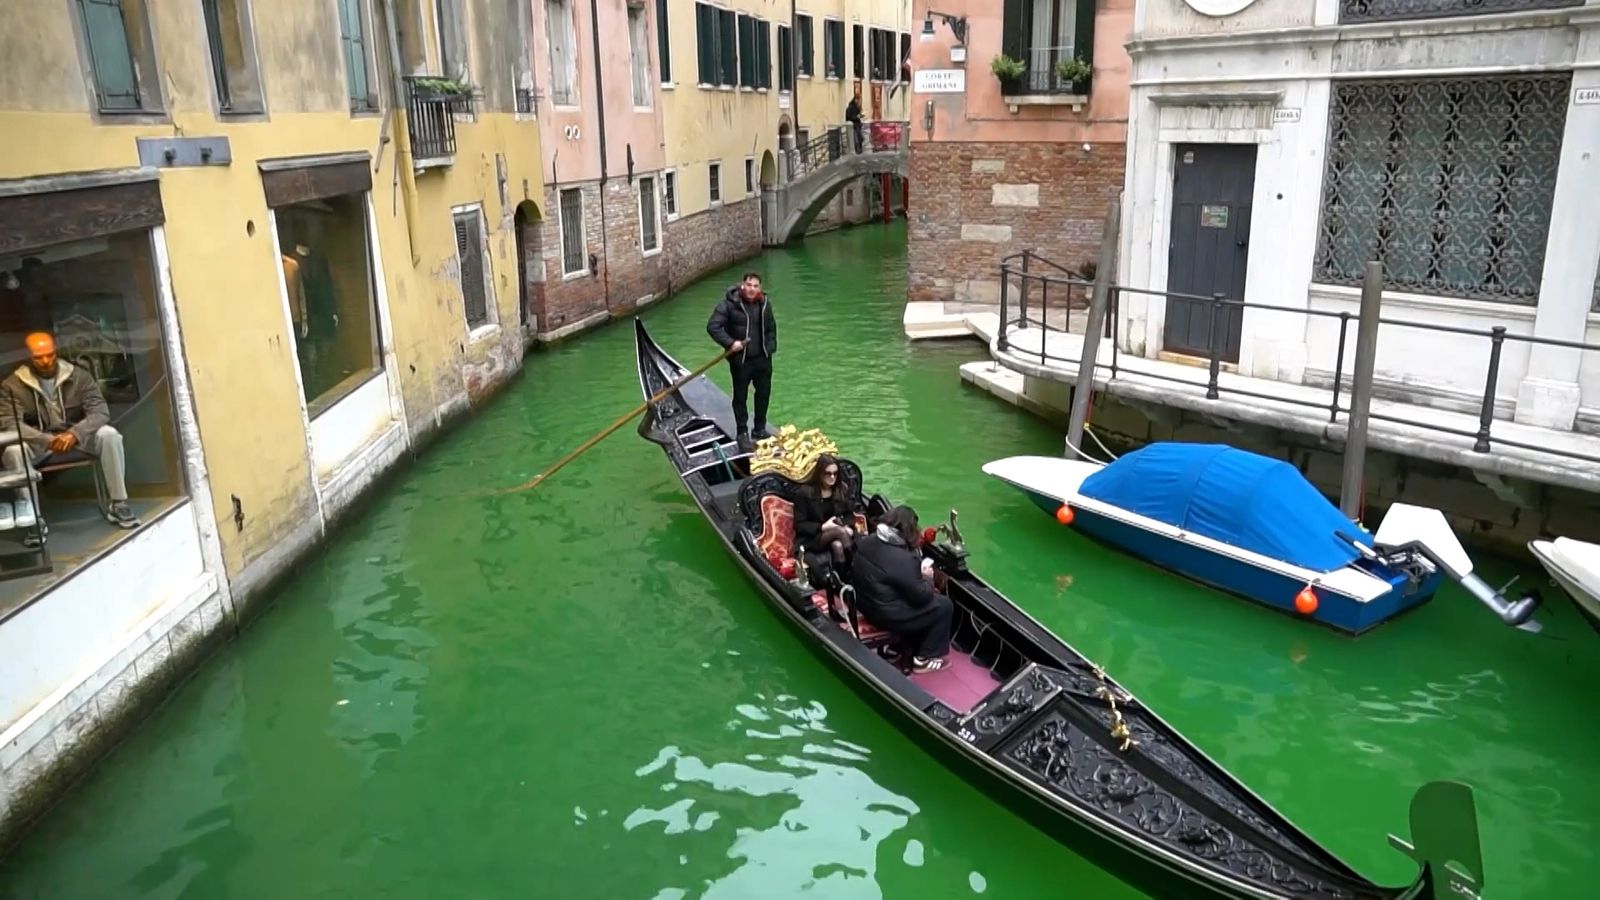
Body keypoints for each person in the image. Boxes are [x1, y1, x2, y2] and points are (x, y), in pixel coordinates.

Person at [0, 332, 140, 529]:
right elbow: (10, 423)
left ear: (56, 352)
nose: (46, 361)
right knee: (13, 450)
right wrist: (45, 439)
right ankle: (33, 518)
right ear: (28, 357)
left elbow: (100, 411)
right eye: (38, 357)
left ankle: (119, 503)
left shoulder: (78, 375)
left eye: (50, 354)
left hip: (75, 436)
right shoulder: (12, 385)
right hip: (38, 442)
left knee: (110, 435)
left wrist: (75, 434)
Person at [849, 505, 953, 673]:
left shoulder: (867, 540)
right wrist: (927, 577)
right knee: (944, 605)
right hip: (886, 615)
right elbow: (922, 597)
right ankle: (923, 659)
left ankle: (904, 645)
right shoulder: (904, 559)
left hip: (864, 604)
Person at [706, 271, 778, 452]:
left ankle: (760, 429)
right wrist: (731, 343)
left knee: (763, 394)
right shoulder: (730, 304)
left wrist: (770, 348)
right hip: (741, 361)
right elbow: (713, 326)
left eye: (756, 286)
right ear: (742, 285)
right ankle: (742, 433)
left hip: (763, 358)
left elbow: (771, 327)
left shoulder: (765, 303)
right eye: (749, 285)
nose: (752, 289)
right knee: (740, 397)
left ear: (759, 288)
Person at [794, 454, 856, 570]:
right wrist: (823, 527)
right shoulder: (804, 494)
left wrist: (847, 525)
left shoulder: (841, 490)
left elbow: (849, 515)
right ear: (820, 474)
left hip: (836, 534)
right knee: (840, 532)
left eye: (835, 473)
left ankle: (841, 579)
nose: (832, 477)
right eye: (828, 473)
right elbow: (800, 525)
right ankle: (859, 566)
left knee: (837, 545)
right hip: (811, 538)